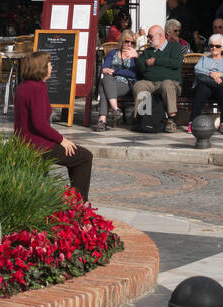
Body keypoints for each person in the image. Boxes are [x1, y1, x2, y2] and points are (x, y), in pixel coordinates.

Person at [14, 51, 93, 200]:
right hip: (37, 145)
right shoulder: (37, 88)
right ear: (41, 67)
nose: (52, 67)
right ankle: (79, 204)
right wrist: (62, 140)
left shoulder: (24, 86)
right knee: (84, 157)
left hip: (26, 143)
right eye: (49, 64)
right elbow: (39, 124)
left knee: (39, 186)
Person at [134, 24, 184, 132]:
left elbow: (176, 63)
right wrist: (136, 57)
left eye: (150, 36)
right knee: (140, 85)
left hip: (172, 83)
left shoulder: (174, 47)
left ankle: (171, 120)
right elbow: (142, 69)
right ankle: (142, 118)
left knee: (167, 84)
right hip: (151, 83)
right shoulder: (148, 51)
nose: (148, 39)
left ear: (161, 36)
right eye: (148, 36)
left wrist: (156, 61)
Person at [190, 34, 223, 135]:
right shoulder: (204, 59)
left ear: (222, 48)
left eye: (217, 46)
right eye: (211, 46)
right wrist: (212, 75)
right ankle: (193, 122)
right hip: (206, 86)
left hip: (221, 87)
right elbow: (197, 70)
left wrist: (220, 74)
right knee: (202, 89)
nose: (214, 48)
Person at [93, 31, 139, 130]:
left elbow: (133, 74)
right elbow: (104, 68)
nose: (130, 44)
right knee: (106, 79)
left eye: (132, 43)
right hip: (111, 82)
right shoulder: (113, 53)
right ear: (122, 41)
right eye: (127, 41)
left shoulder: (134, 56)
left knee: (104, 86)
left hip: (126, 83)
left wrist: (115, 71)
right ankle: (115, 109)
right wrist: (108, 71)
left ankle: (102, 120)